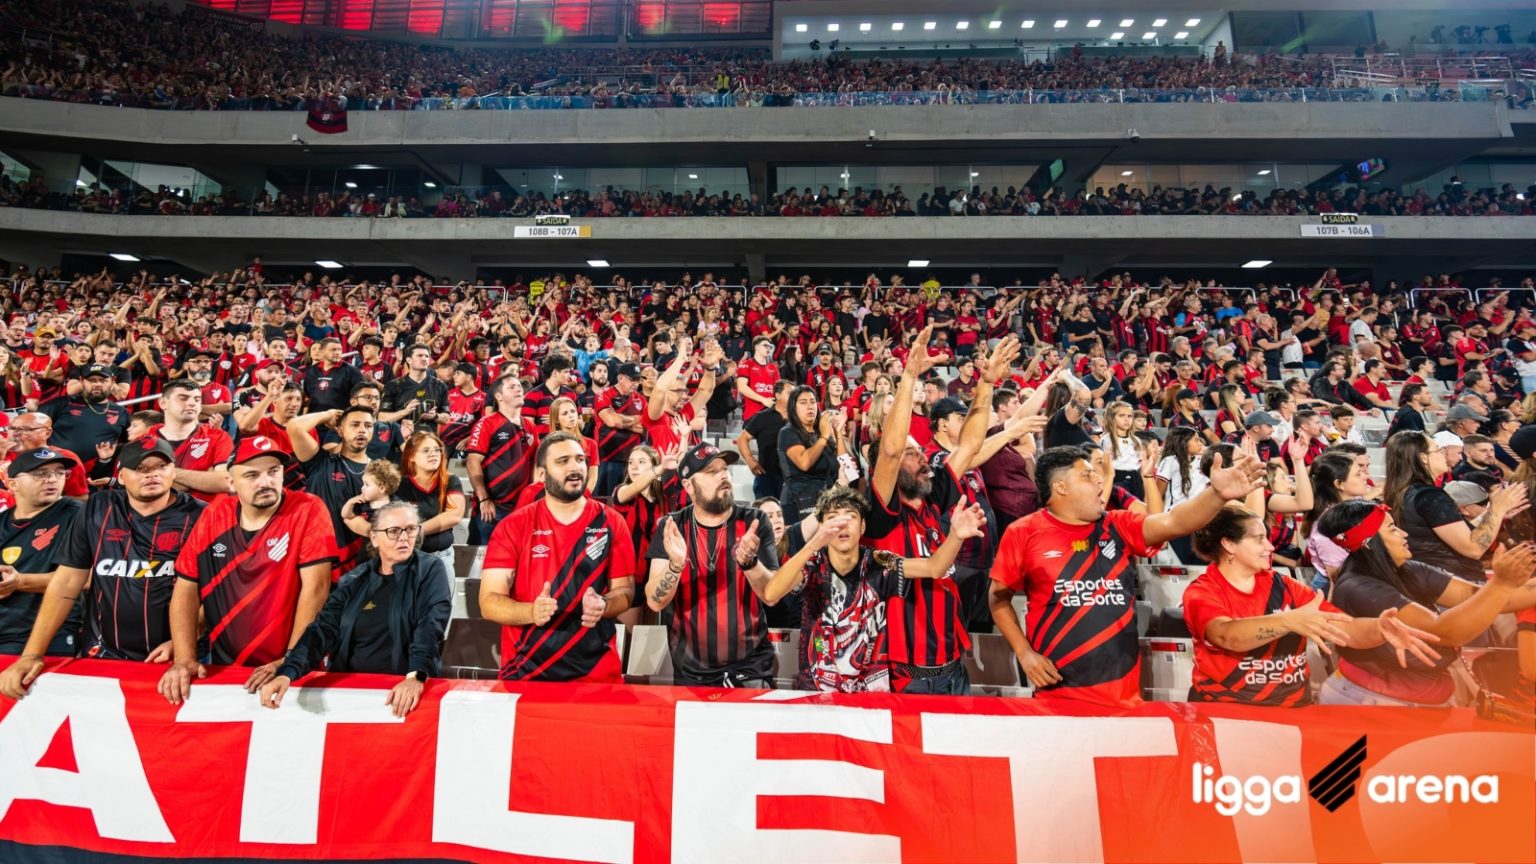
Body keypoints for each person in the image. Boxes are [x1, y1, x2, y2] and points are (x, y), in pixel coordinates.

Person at [989, 444, 1266, 707]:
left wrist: (1217, 495)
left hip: (1124, 697)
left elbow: (1175, 522)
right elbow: (998, 599)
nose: (1099, 480)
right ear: (1060, 487)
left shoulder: (1118, 525)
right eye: (1087, 475)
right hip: (1055, 695)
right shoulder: (1023, 533)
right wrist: (1024, 653)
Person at [0, 436, 205, 698]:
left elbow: (215, 591)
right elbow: (67, 582)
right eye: (140, 468)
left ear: (173, 471)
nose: (152, 474)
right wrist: (32, 654)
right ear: (121, 476)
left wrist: (184, 644)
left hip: (176, 655)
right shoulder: (98, 507)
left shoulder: (201, 516)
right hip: (103, 651)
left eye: (161, 467)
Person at [1182, 504, 1438, 706]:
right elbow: (1227, 636)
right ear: (1228, 544)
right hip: (1224, 710)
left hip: (1291, 710)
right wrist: (1288, 621)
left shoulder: (1285, 586)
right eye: (1259, 539)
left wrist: (1379, 629)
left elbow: (1344, 629)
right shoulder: (1203, 591)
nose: (1270, 546)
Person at [157, 436, 336, 704]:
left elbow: (316, 589)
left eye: (273, 471)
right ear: (231, 483)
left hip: (291, 670)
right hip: (226, 667)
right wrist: (184, 658)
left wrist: (291, 661)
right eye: (252, 475)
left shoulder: (308, 507)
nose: (266, 482)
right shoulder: (215, 514)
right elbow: (186, 588)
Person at [762, 485, 985, 693]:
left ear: (862, 527)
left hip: (870, 694)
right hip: (818, 691)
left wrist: (955, 536)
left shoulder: (879, 562)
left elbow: (934, 568)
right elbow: (771, 593)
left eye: (850, 516)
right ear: (822, 527)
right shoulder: (812, 563)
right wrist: (813, 543)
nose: (842, 524)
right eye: (832, 518)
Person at [1316, 500, 1536, 706]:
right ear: (1369, 543)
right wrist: (1501, 584)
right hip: (1372, 700)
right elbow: (1443, 632)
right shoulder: (1359, 587)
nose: (1404, 534)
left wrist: (1502, 586)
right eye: (1392, 529)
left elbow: (1478, 596)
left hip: (1417, 695)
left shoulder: (1409, 570)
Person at [259, 502, 452, 717]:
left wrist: (416, 677)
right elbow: (322, 629)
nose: (404, 537)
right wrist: (288, 672)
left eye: (411, 529)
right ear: (374, 538)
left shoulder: (430, 569)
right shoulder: (354, 579)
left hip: (399, 690)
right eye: (394, 531)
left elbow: (429, 627)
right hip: (350, 693)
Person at [480, 432, 636, 682]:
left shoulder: (611, 521)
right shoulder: (513, 525)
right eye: (563, 461)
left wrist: (604, 605)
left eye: (580, 459)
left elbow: (625, 592)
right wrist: (532, 612)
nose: (575, 467)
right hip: (525, 672)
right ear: (541, 474)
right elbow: (489, 602)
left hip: (595, 673)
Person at [645, 443, 779, 687]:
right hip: (692, 671)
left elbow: (772, 596)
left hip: (750, 667)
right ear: (689, 486)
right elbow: (655, 602)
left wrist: (750, 563)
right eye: (711, 471)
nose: (723, 475)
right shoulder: (671, 527)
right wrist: (675, 565)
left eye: (724, 469)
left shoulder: (755, 521)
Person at [1383, 430, 1528, 583]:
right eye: (1438, 450)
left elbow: (1453, 531)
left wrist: (1491, 515)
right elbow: (1474, 548)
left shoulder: (1404, 493)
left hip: (1432, 580)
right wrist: (1496, 511)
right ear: (1423, 458)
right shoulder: (1429, 496)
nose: (1444, 455)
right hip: (1455, 581)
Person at [0, 449, 85, 656]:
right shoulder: (2, 522)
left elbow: (89, 577)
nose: (52, 479)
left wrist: (21, 582)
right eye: (40, 473)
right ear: (12, 484)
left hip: (49, 635)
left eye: (59, 472)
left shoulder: (78, 515)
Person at [288, 405, 376, 578]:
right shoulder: (320, 462)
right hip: (319, 559)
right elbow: (294, 427)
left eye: (368, 425)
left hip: (361, 564)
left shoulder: (380, 471)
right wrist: (328, 414)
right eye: (355, 425)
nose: (362, 430)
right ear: (340, 430)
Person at [466, 375, 540, 533]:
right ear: (499, 396)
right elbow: (472, 462)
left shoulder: (530, 426)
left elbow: (535, 462)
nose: (518, 389)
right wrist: (484, 499)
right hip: (492, 508)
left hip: (522, 507)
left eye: (519, 386)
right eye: (512, 387)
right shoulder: (486, 423)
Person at [148, 378, 235, 502]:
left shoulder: (218, 436)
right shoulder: (146, 438)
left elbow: (226, 482)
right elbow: (136, 484)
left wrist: (165, 472)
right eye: (183, 398)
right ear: (163, 403)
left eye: (197, 399)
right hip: (156, 512)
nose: (192, 403)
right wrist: (204, 476)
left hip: (205, 513)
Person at [393, 431, 466, 575]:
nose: (433, 454)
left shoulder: (450, 480)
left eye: (437, 450)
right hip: (407, 558)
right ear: (412, 456)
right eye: (426, 450)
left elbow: (454, 515)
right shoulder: (399, 485)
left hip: (441, 558)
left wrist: (418, 530)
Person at [778, 385, 846, 523]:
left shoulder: (820, 434)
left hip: (826, 498)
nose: (810, 406)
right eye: (803, 402)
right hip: (799, 501)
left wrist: (838, 433)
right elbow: (804, 463)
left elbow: (844, 466)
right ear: (793, 407)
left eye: (813, 401)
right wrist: (824, 437)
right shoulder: (788, 432)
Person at [0, 411, 90, 499]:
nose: (15, 433)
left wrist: (43, 503)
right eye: (12, 428)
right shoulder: (3, 452)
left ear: (47, 433)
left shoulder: (64, 458)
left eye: (25, 429)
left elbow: (81, 498)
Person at [593, 363, 647, 496]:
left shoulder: (641, 399)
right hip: (607, 457)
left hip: (632, 460)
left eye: (638, 380)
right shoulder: (604, 394)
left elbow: (645, 428)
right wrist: (637, 418)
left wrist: (620, 420)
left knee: (629, 499)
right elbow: (611, 421)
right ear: (620, 378)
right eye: (632, 379)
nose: (636, 384)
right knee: (605, 499)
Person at [737, 379, 791, 501]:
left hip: (792, 477)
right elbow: (742, 439)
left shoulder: (798, 418)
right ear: (778, 395)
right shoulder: (762, 416)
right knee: (766, 511)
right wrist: (750, 460)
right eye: (789, 393)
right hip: (767, 476)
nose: (794, 396)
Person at [383, 343, 449, 434]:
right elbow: (382, 418)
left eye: (426, 356)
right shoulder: (393, 385)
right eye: (419, 355)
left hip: (428, 440)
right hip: (402, 440)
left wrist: (436, 416)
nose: (424, 359)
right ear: (409, 360)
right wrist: (404, 412)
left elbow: (446, 418)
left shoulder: (440, 386)